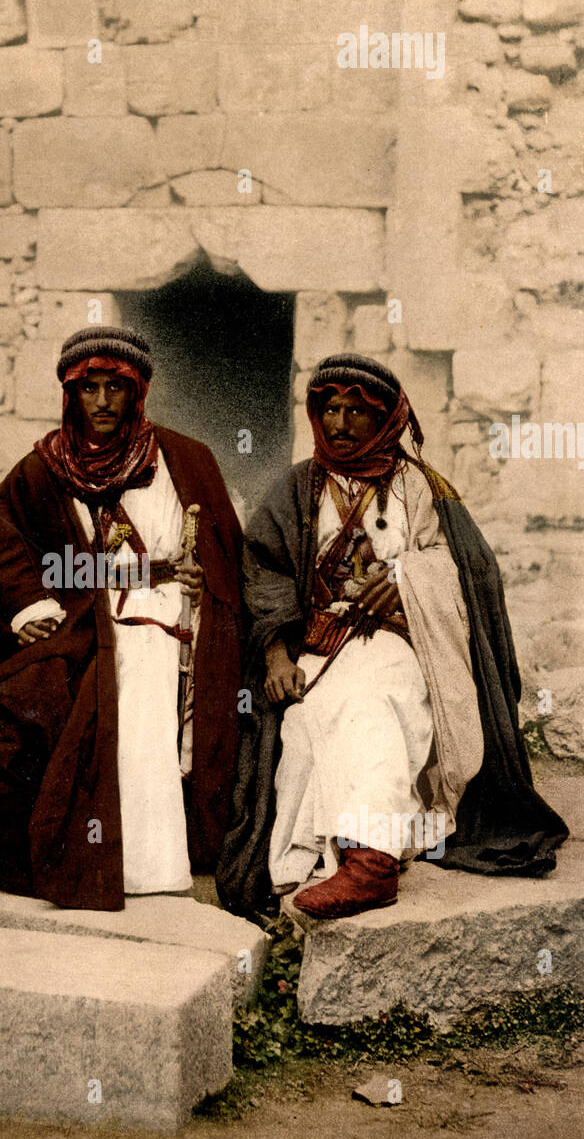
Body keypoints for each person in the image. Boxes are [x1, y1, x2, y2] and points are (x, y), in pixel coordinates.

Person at [217, 352, 567, 921]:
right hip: (319, 647)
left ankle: (371, 864)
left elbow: (470, 571)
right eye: (330, 408)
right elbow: (265, 572)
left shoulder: (421, 488)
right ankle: (325, 855)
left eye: (357, 410)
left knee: (371, 701)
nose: (340, 422)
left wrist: (408, 578)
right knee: (307, 721)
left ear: (387, 418)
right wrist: (278, 654)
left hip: (404, 642)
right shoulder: (296, 488)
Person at [0, 325, 244, 911]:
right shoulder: (41, 469)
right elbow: (5, 555)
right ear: (70, 394)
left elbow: (226, 555)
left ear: (138, 393)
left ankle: (145, 860)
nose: (104, 402)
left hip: (169, 610)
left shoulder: (185, 460)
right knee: (48, 689)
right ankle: (84, 849)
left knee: (140, 663)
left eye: (117, 387)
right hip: (77, 613)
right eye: (91, 388)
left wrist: (203, 579)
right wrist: (30, 604)